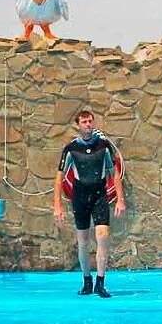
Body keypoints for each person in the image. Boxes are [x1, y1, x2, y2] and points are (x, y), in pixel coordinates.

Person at [53, 110, 126, 298]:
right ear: (78, 124)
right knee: (83, 241)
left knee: (103, 236)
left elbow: (113, 173)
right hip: (80, 196)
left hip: (99, 194)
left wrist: (120, 199)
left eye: (90, 121)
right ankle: (87, 280)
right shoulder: (71, 149)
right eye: (84, 122)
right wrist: (58, 205)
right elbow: (59, 177)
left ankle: (100, 283)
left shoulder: (103, 146)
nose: (88, 124)